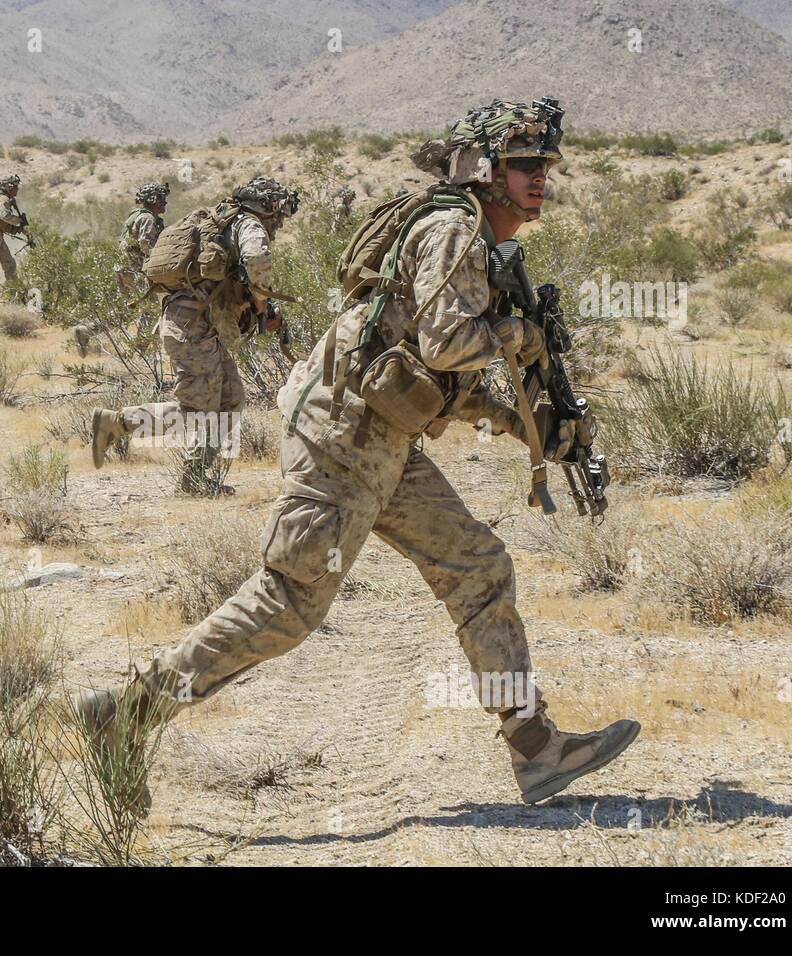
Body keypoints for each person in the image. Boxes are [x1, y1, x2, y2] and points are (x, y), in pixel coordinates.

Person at [75, 99, 639, 813]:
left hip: (385, 437)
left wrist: (512, 418)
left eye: (547, 164)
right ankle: (127, 713)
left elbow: (431, 372)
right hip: (341, 439)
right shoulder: (452, 231)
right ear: (485, 169)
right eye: (526, 164)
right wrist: (517, 337)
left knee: (479, 568)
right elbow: (446, 343)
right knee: (290, 602)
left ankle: (536, 750)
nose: (541, 177)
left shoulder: (477, 244)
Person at [89, 176, 298, 493]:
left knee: (230, 402)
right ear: (269, 206)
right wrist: (262, 303)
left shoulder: (222, 221)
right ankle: (117, 424)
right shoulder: (248, 224)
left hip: (198, 326)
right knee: (197, 412)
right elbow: (257, 260)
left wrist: (259, 311)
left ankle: (193, 478)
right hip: (192, 327)